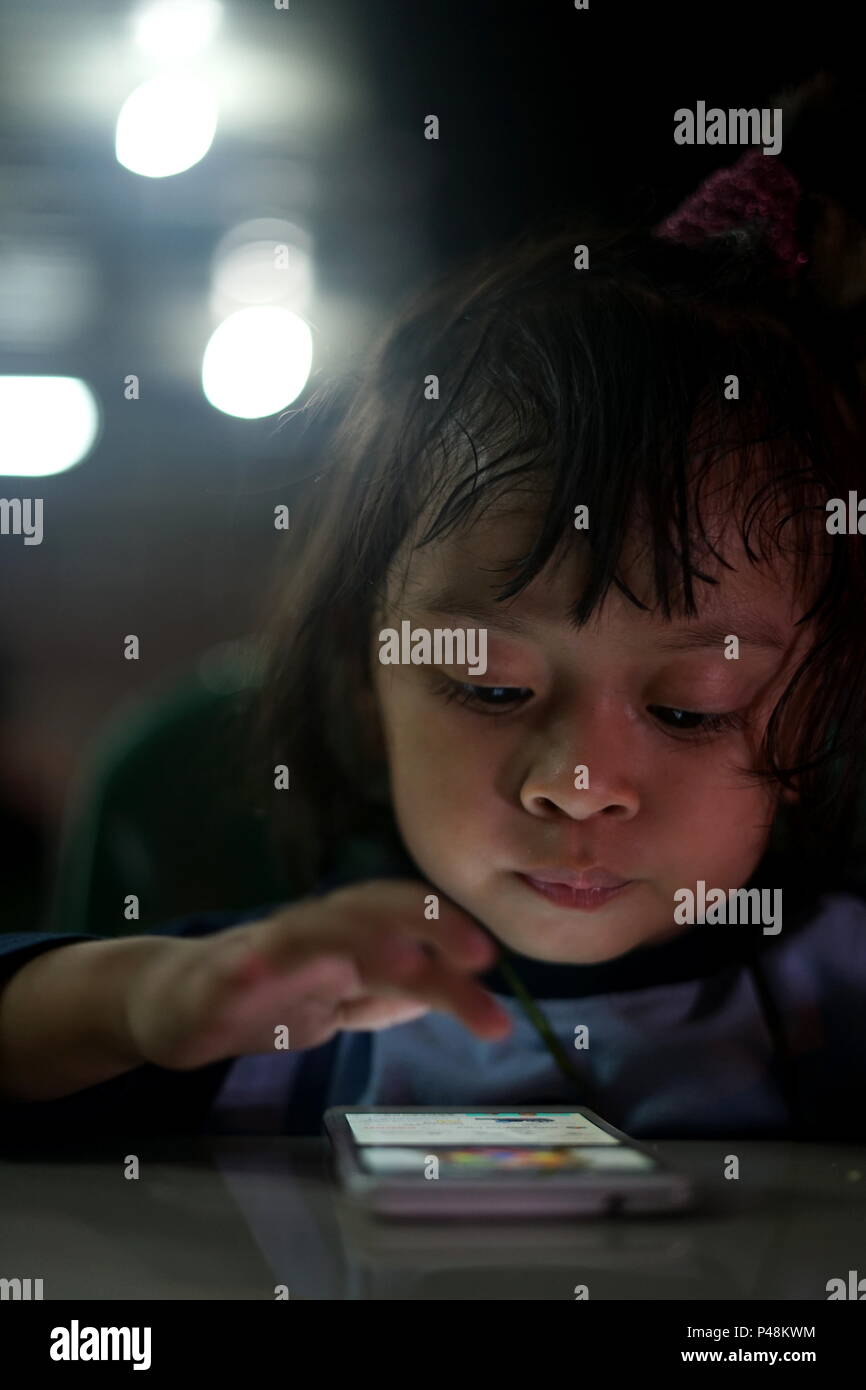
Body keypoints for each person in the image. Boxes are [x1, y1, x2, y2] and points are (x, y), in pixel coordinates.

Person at [2, 83, 866, 1143]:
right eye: (489, 687)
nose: (576, 786)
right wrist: (140, 1002)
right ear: (365, 690)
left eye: (691, 707)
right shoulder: (301, 993)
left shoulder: (839, 990)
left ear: (814, 707)